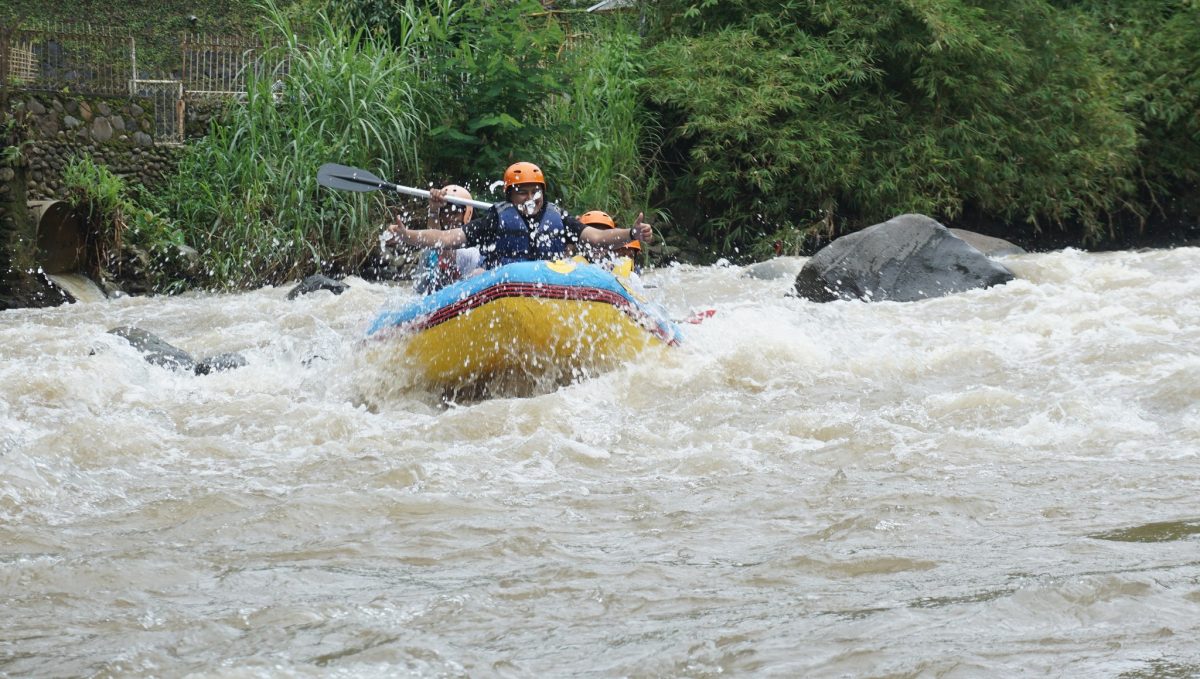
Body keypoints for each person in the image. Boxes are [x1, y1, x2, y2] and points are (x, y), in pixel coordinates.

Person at [387, 162, 652, 268]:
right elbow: (447, 239)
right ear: (510, 197)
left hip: (547, 284)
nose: (529, 198)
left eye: (535, 192)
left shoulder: (559, 218)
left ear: (543, 193)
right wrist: (408, 236)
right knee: (476, 276)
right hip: (502, 284)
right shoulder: (496, 219)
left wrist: (632, 233)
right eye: (522, 192)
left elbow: (596, 238)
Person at [382, 184, 483, 293]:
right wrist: (434, 211)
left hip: (463, 293)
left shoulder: (472, 251)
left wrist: (433, 213)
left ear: (467, 214)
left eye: (454, 213)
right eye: (444, 212)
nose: (449, 218)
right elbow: (436, 242)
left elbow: (442, 247)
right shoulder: (429, 252)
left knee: (479, 272)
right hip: (433, 295)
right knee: (429, 253)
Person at [578, 209, 643, 276]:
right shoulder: (573, 266)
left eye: (603, 237)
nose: (597, 243)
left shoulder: (620, 270)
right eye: (590, 237)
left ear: (611, 241)